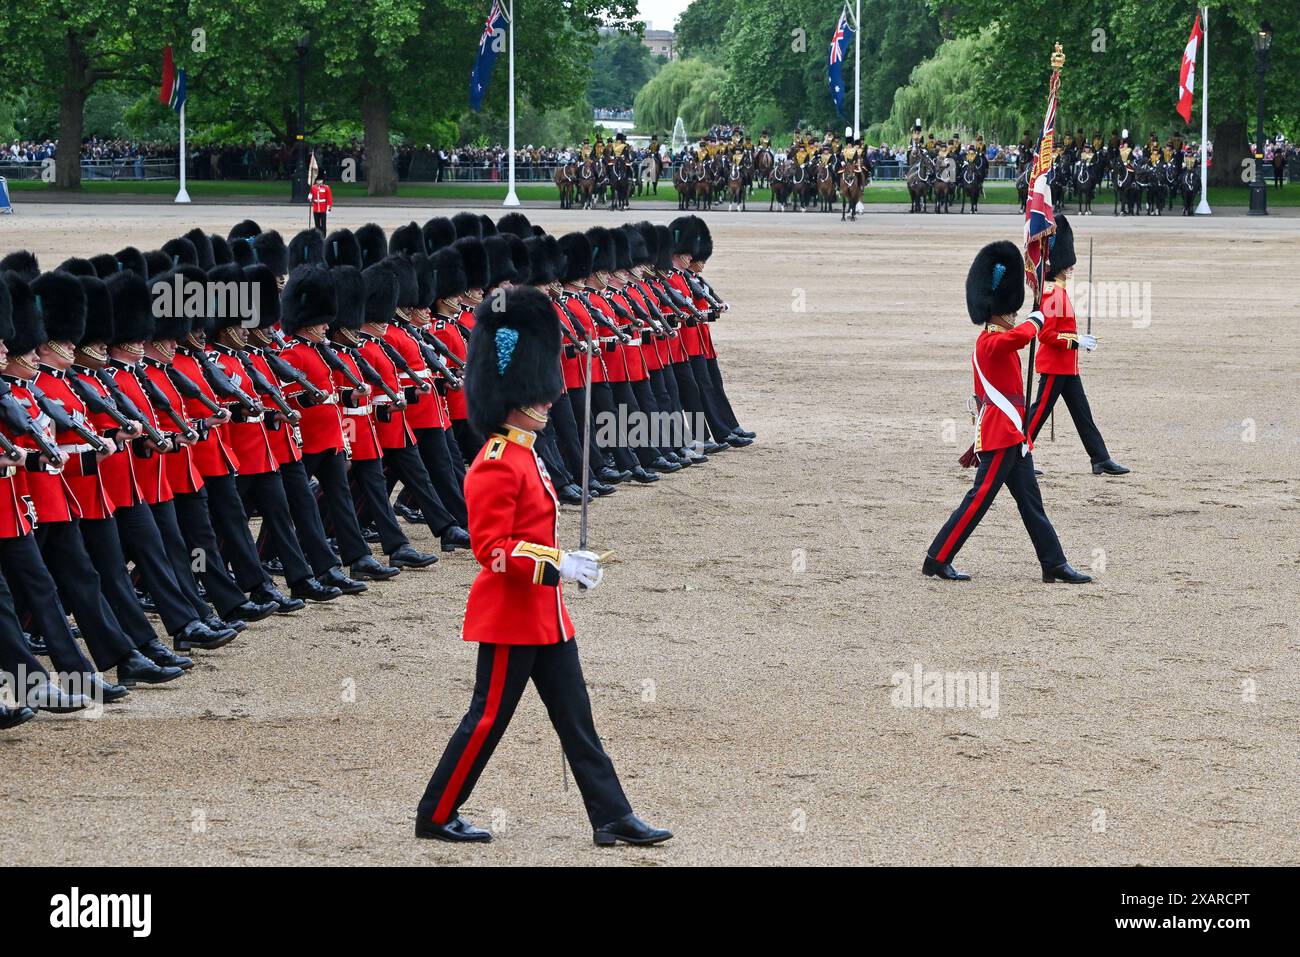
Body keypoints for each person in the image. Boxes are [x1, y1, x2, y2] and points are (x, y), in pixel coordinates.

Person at [415, 285, 671, 847]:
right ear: (516, 397)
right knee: (487, 722)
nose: (549, 399)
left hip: (545, 617)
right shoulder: (496, 463)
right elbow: (493, 550)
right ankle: (435, 814)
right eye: (540, 393)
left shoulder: (526, 453)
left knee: (577, 721)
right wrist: (559, 565)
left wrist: (566, 565)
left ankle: (610, 816)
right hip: (511, 615)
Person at [923, 240, 1091, 584]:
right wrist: (1036, 318)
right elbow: (1018, 339)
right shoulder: (989, 342)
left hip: (1013, 434)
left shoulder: (1002, 336)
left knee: (1031, 501)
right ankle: (937, 557)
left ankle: (1053, 563)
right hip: (1000, 435)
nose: (1014, 315)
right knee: (980, 498)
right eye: (1010, 311)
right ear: (996, 308)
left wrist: (1031, 319)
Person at [1022, 216, 1129, 476]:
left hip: (1067, 367)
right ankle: (1018, 454)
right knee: (1037, 414)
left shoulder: (1060, 291)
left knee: (1083, 415)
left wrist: (1077, 343)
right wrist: (1076, 341)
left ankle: (1100, 458)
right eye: (1067, 264)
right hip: (1054, 366)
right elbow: (1046, 335)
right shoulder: (1051, 294)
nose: (1070, 268)